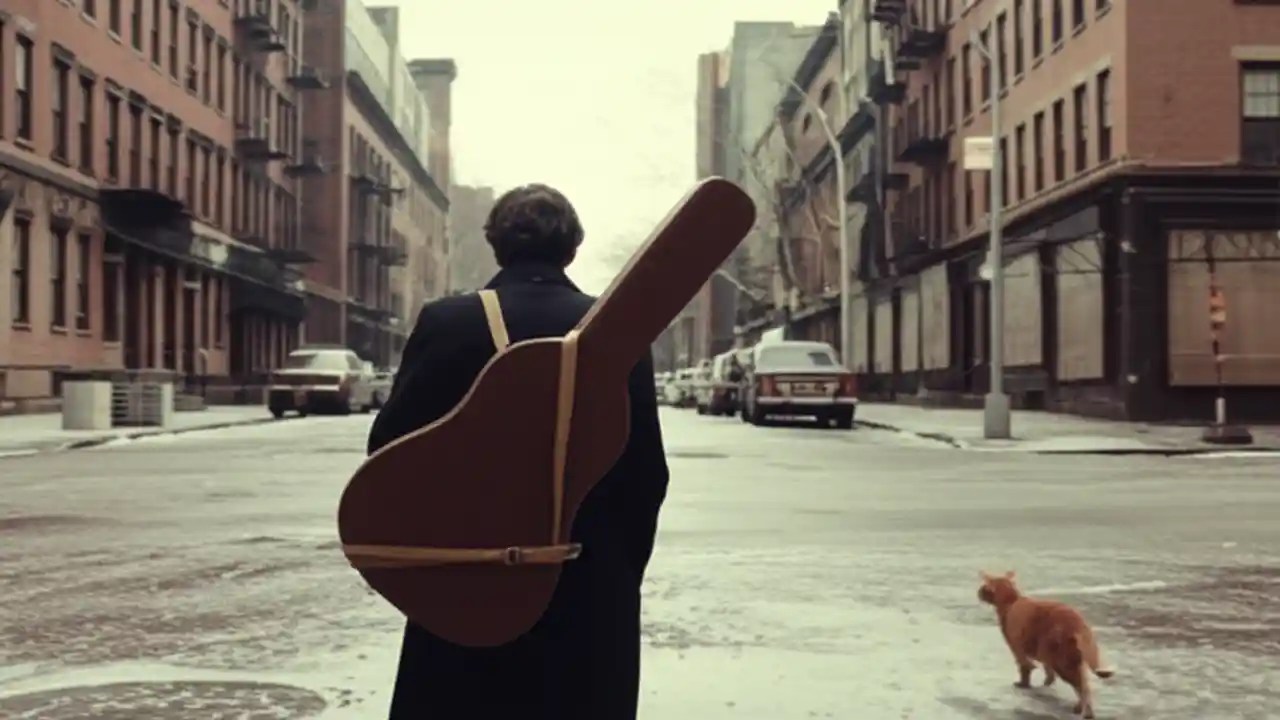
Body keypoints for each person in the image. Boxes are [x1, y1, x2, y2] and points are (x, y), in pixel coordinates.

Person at [366, 184, 670, 719]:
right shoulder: (617, 328)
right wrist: (616, 573)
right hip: (585, 577)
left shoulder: (448, 322)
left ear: (496, 246)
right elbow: (645, 474)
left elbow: (390, 455)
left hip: (469, 576)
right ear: (572, 248)